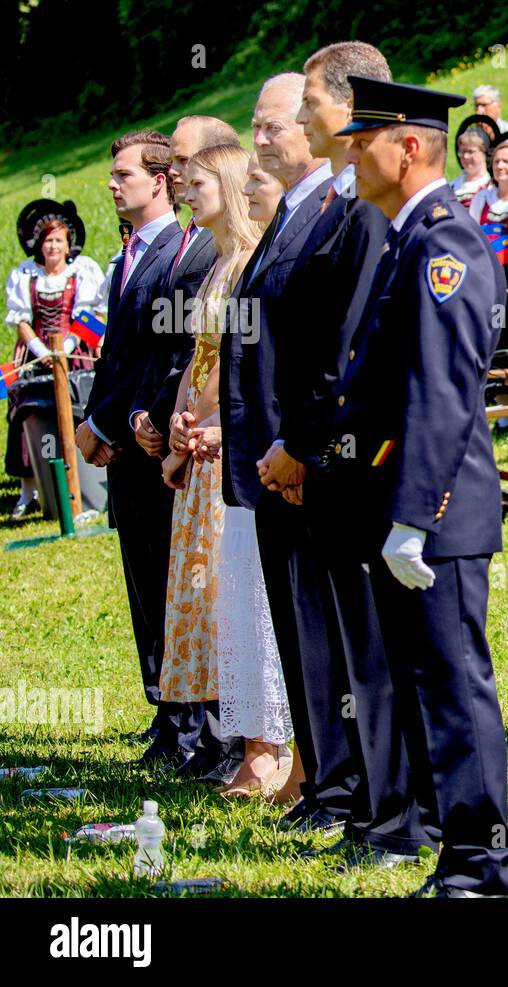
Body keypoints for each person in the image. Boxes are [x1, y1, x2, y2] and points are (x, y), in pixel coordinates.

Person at [336, 75, 508, 896]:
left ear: (408, 146)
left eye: (362, 141)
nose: (350, 155)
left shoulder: (444, 242)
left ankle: (484, 863)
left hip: (436, 506)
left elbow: (442, 394)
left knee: (453, 685)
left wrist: (413, 514)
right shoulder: (407, 237)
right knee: (425, 684)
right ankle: (457, 850)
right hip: (404, 501)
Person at [271, 41, 427, 854]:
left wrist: (303, 445)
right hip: (330, 457)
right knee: (356, 645)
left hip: (355, 459)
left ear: (353, 101)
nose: (302, 117)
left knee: (374, 648)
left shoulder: (367, 211)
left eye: (311, 102)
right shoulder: (344, 202)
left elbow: (348, 351)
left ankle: (392, 814)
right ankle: (373, 801)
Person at [221, 74, 358, 837]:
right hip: (272, 463)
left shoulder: (331, 213)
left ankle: (341, 785)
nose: (261, 137)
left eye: (273, 123)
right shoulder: (289, 215)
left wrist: (300, 448)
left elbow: (326, 353)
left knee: (321, 629)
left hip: (305, 465)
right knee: (298, 625)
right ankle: (323, 779)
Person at [156, 142, 293, 798]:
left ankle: (269, 747)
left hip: (227, 443)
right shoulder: (218, 263)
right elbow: (200, 356)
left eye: (198, 182)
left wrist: (202, 425)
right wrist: (177, 422)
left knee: (243, 592)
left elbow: (239, 361)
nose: (186, 191)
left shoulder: (247, 263)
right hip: (202, 441)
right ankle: (244, 741)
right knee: (222, 599)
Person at [76, 130, 196, 769]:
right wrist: (99, 420)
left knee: (167, 580)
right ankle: (163, 712)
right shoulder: (126, 255)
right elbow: (115, 355)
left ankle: (185, 719)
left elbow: (164, 358)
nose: (112, 184)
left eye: (124, 174)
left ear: (159, 180)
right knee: (143, 586)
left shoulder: (178, 253)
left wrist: (110, 422)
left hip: (156, 443)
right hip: (128, 442)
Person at [133, 115, 241, 483]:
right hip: (186, 421)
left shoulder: (238, 259)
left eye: (185, 163)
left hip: (209, 430)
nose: (174, 174)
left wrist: (186, 432)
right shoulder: (209, 252)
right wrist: (166, 414)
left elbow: (228, 353)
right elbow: (192, 349)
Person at [6, 201, 104, 519]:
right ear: (39, 244)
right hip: (36, 356)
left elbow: (90, 316)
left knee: (80, 412)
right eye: (48, 240)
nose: (53, 246)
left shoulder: (82, 271)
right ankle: (31, 491)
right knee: (28, 418)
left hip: (75, 354)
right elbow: (22, 321)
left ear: (68, 244)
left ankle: (88, 485)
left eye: (59, 240)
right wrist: (42, 352)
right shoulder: (25, 275)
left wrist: (66, 346)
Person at [471, 137, 508, 365]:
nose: (500, 166)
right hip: (489, 275)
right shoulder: (482, 198)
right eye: (496, 161)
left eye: (506, 161)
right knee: (495, 324)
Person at [449, 119, 495, 208]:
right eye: (462, 152)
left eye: (470, 152)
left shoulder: (491, 188)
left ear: (484, 152)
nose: (465, 156)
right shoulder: (452, 186)